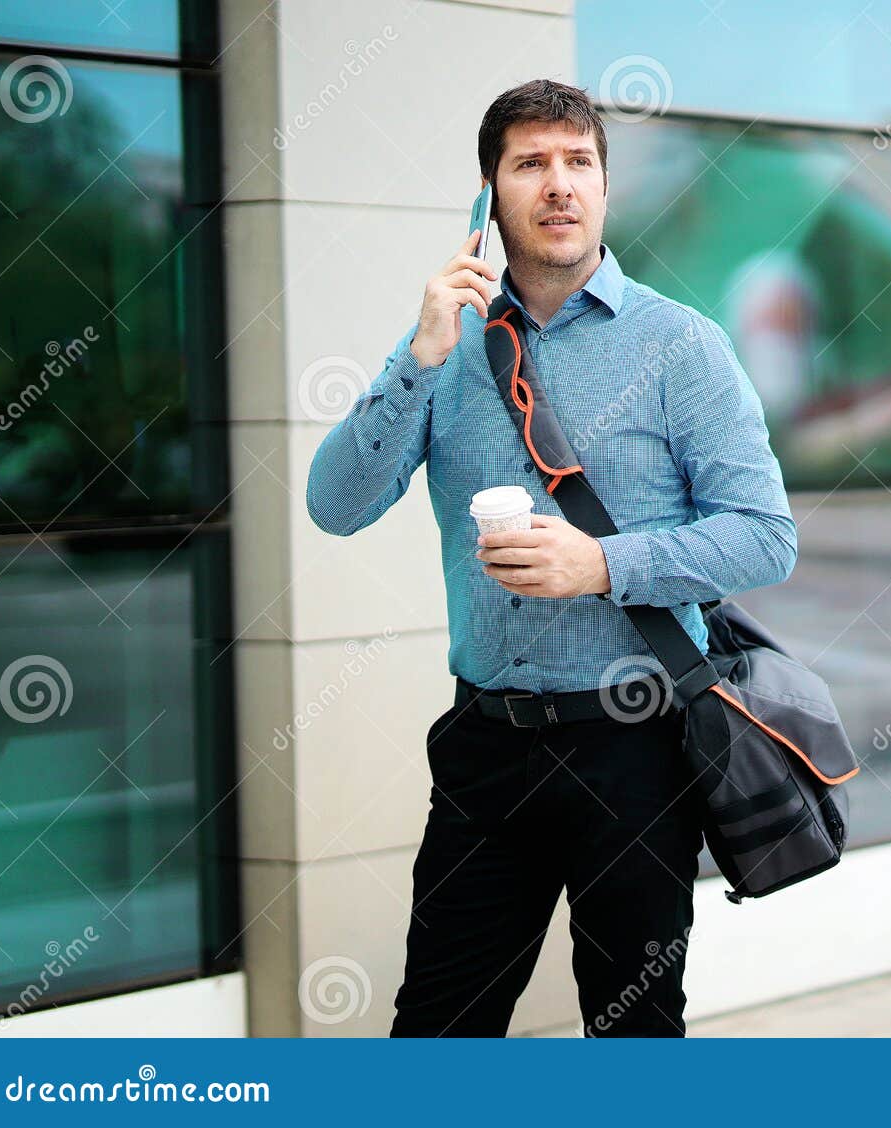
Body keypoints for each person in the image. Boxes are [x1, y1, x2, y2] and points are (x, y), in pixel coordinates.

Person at [305, 78, 797, 1037]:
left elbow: (765, 533)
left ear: (605, 190)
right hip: (486, 745)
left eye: (579, 163)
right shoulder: (444, 348)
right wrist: (420, 352)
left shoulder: (680, 345)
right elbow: (336, 506)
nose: (559, 185)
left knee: (634, 1033)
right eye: (531, 164)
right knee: (439, 1028)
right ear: (490, 197)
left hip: (638, 749)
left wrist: (600, 566)